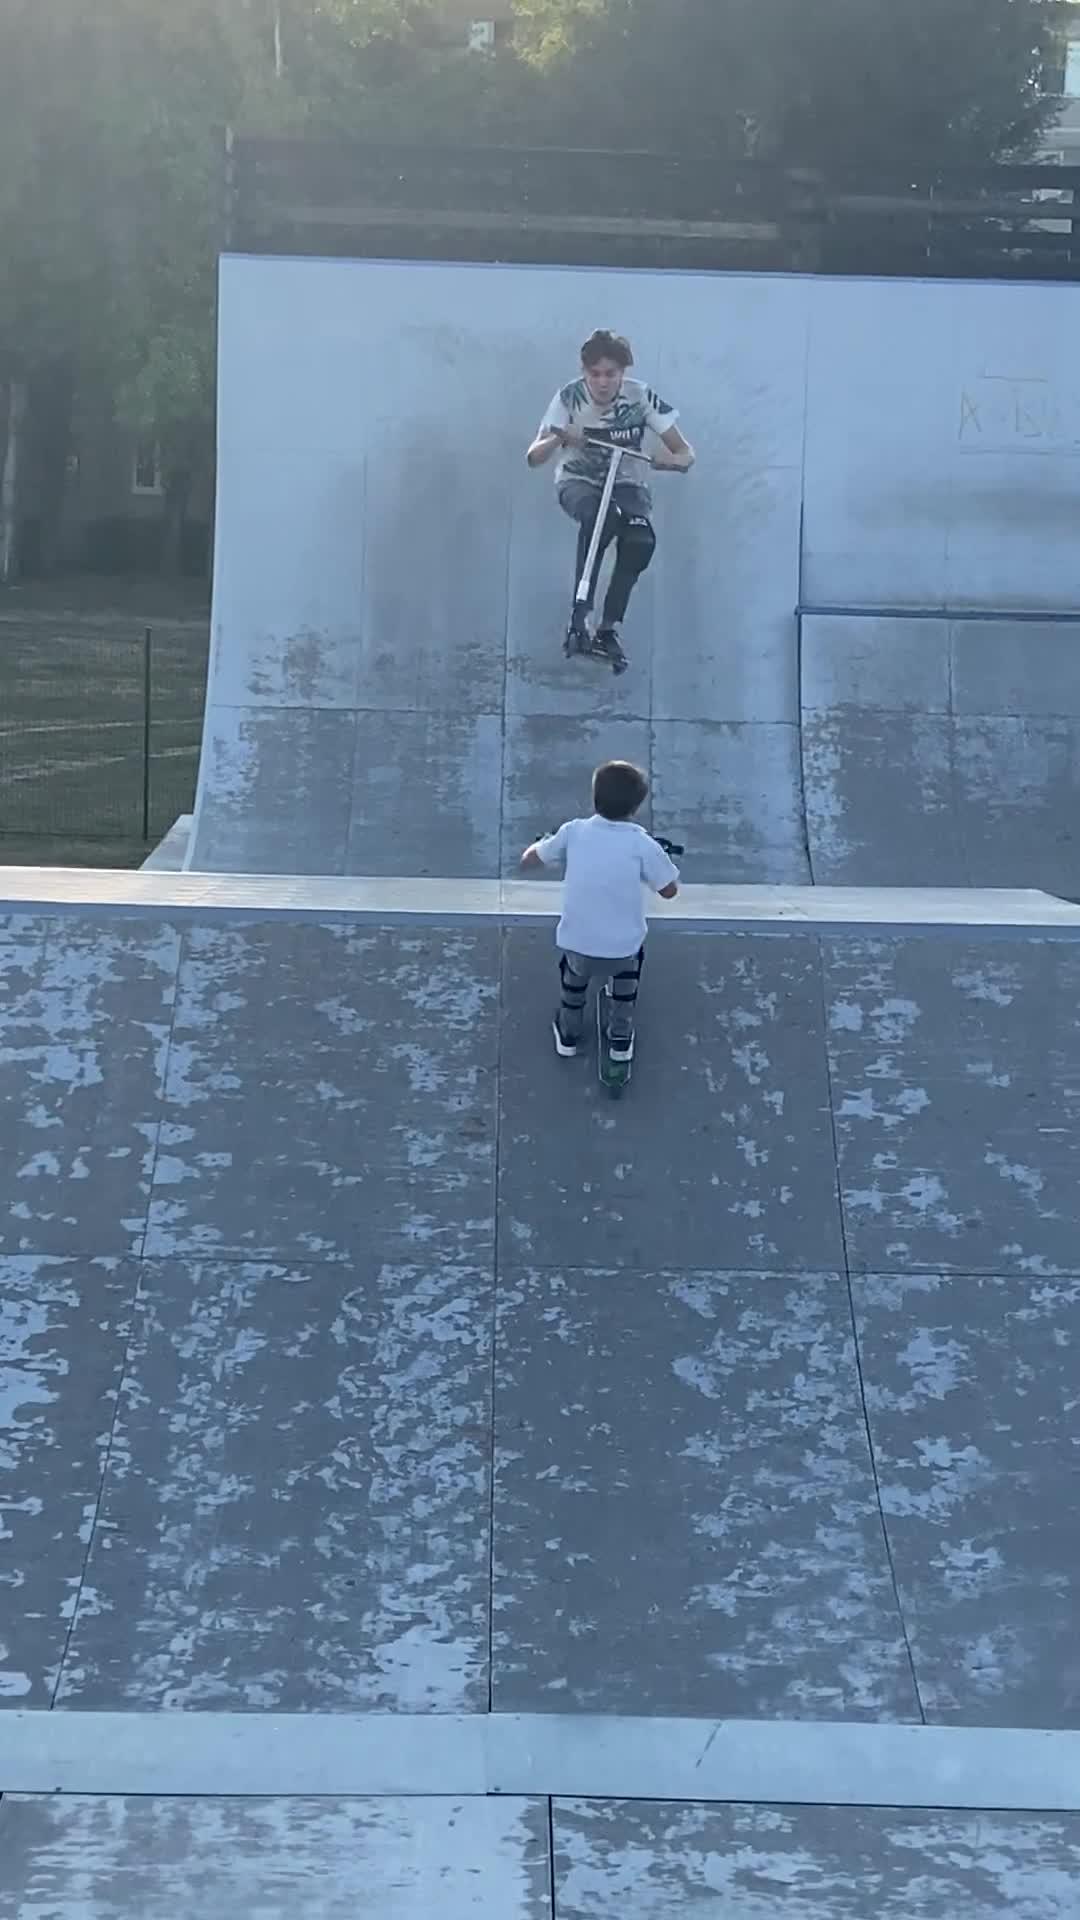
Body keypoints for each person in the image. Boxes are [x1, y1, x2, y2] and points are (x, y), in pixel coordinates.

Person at [526, 328, 695, 670]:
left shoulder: (640, 396)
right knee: (600, 518)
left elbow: (685, 451)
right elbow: (533, 457)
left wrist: (673, 461)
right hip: (580, 481)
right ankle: (580, 615)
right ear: (584, 372)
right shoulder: (569, 398)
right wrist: (560, 438)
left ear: (623, 373)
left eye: (610, 375)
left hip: (628, 483)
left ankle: (609, 627)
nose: (602, 383)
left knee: (640, 540)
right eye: (594, 375)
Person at [520, 759, 680, 1061]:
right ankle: (620, 1038)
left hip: (578, 944)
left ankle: (568, 1035)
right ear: (636, 808)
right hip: (623, 949)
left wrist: (537, 845)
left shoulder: (573, 832)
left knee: (574, 981)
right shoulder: (643, 844)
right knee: (626, 979)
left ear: (594, 798)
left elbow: (531, 860)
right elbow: (669, 891)